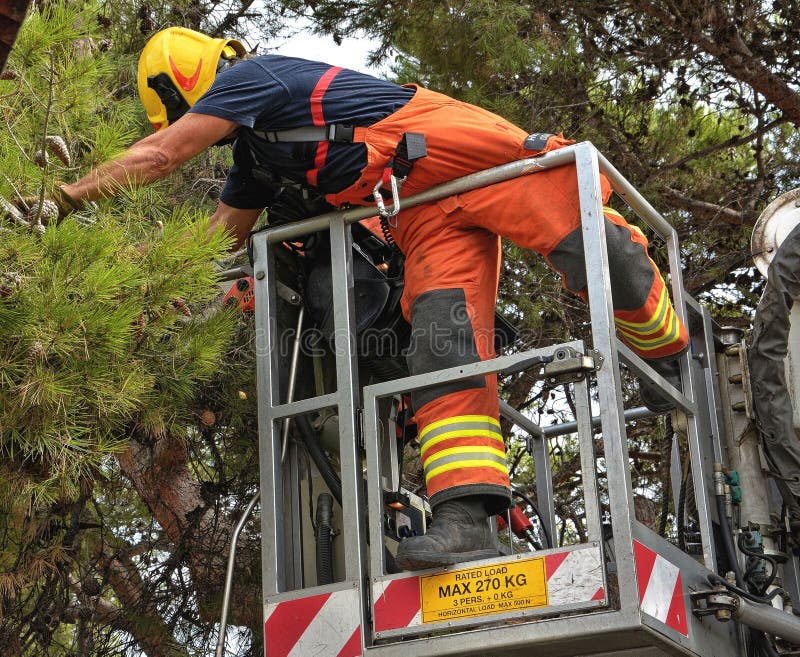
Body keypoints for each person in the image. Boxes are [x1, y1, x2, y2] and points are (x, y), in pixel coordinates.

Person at [39, 26, 689, 570]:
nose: (194, 127)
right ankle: (467, 518)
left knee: (577, 225)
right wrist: (161, 293)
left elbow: (163, 154)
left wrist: (68, 197)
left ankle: (670, 348)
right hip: (421, 212)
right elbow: (217, 241)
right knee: (443, 345)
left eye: (186, 115)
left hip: (453, 149)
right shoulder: (257, 161)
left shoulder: (253, 78)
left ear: (186, 91)